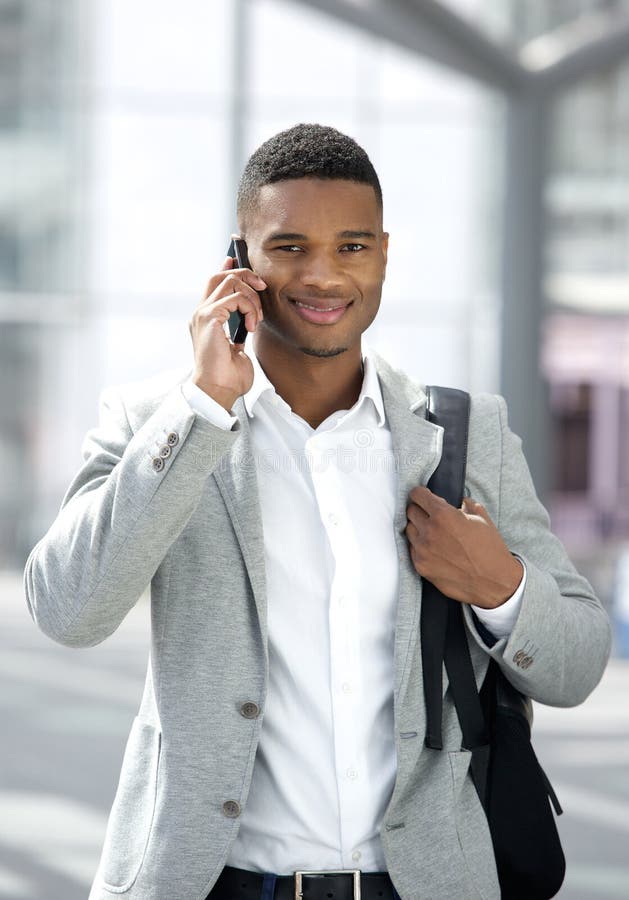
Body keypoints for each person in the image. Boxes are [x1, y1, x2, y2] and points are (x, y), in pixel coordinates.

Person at [24, 123, 611, 900]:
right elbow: (68, 610)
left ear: (384, 255)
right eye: (290, 246)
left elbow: (575, 665)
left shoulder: (467, 435)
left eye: (352, 247)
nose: (323, 276)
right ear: (239, 261)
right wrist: (203, 406)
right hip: (209, 881)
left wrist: (498, 583)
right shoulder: (157, 424)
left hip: (415, 884)